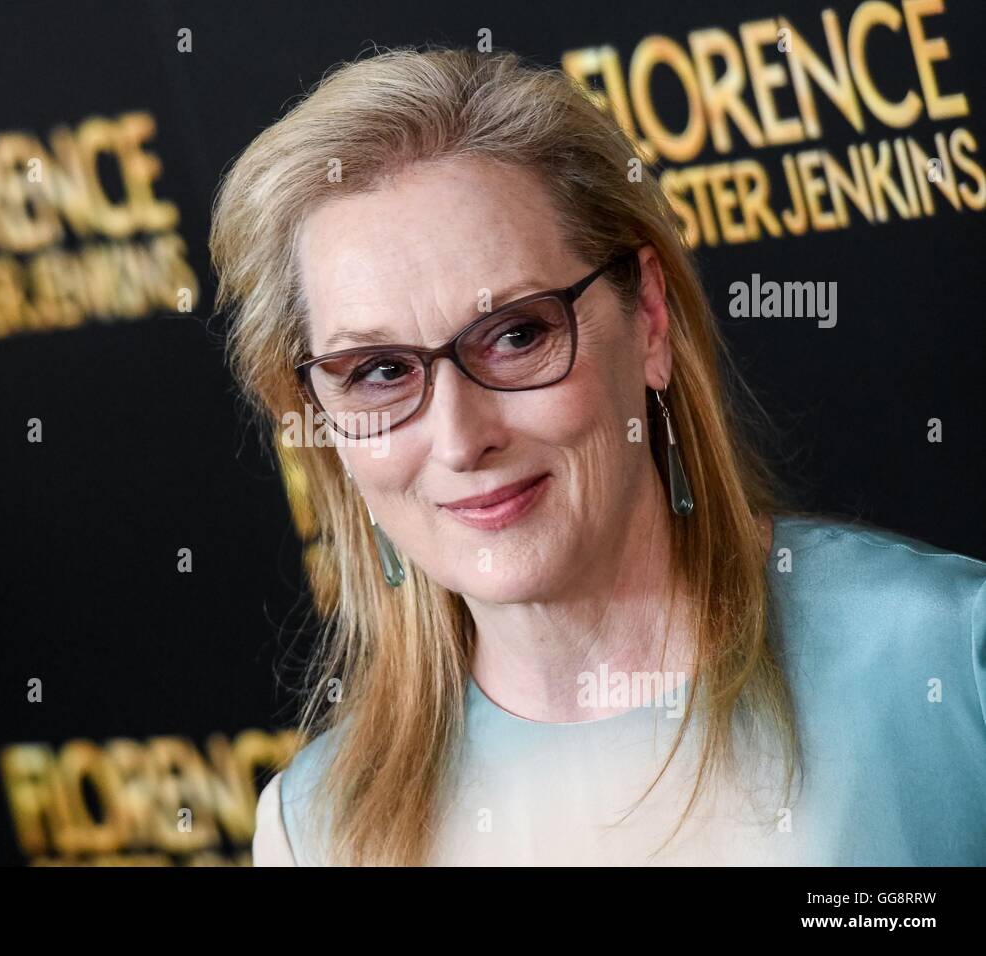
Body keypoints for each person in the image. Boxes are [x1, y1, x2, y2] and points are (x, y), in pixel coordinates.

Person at [208, 46, 986, 865]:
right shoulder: (317, 830)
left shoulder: (947, 660)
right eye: (378, 372)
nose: (461, 438)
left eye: (516, 335)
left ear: (649, 319)